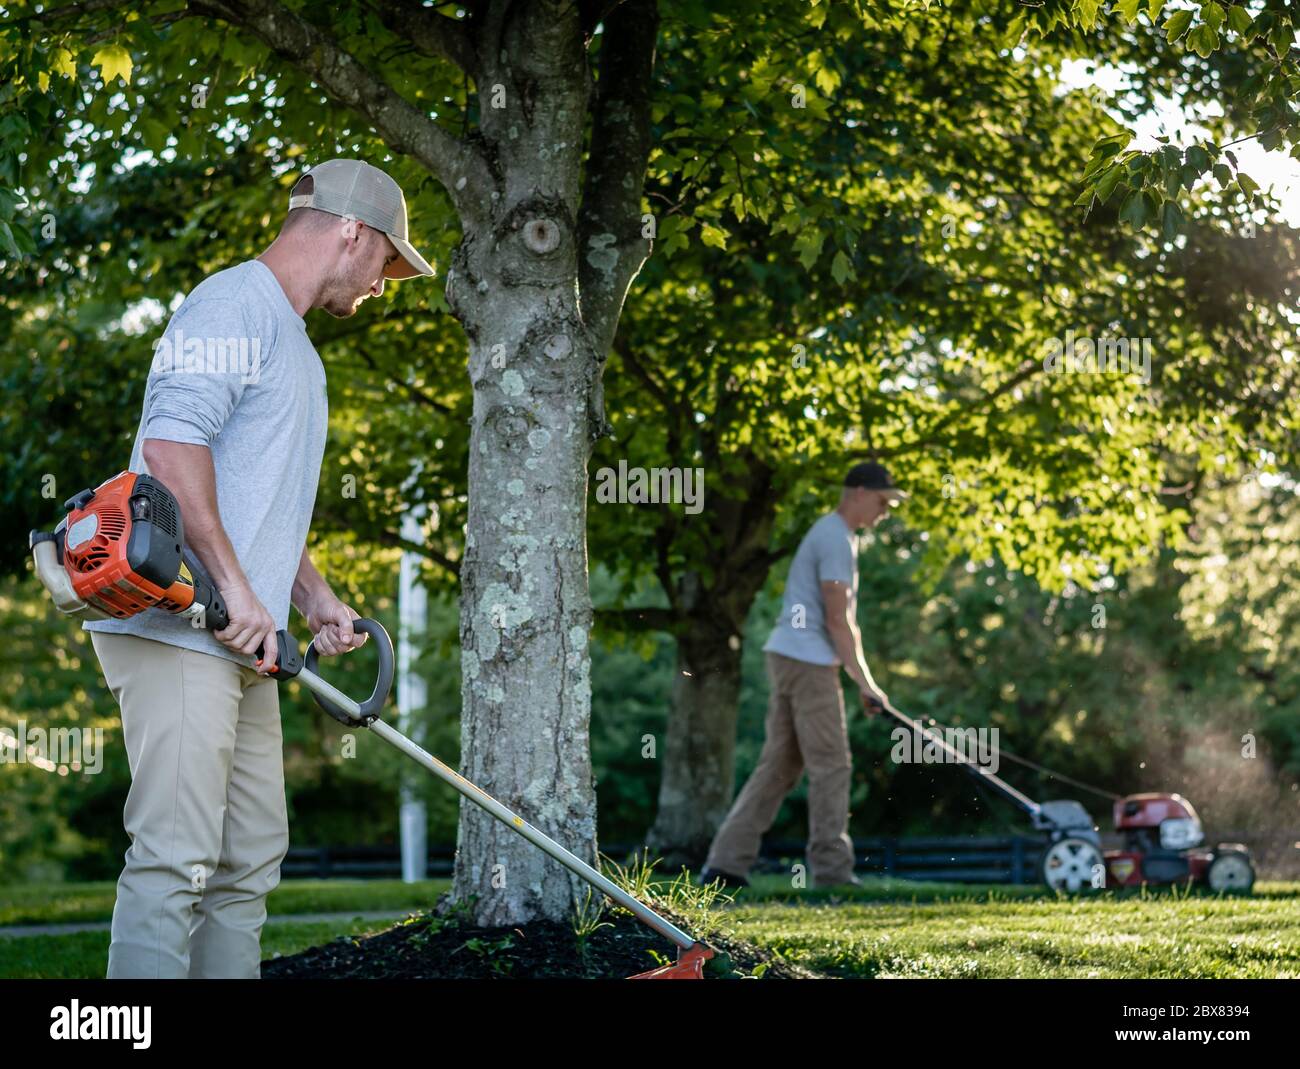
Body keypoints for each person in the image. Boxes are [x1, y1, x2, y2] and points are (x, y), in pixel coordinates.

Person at [83, 159, 434, 978]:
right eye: (387, 259)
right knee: (177, 856)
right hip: (176, 625)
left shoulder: (298, 349)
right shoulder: (233, 302)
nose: (386, 281)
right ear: (352, 229)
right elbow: (172, 449)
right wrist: (241, 591)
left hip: (243, 639)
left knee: (247, 858)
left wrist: (311, 597)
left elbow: (250, 499)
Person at [700, 461, 907, 890]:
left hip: (790, 657)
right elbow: (838, 620)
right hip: (808, 662)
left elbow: (840, 619)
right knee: (832, 765)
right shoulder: (834, 538)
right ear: (858, 492)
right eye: (883, 501)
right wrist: (866, 683)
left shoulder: (835, 536)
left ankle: (724, 865)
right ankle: (832, 873)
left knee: (779, 766)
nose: (885, 512)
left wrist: (861, 678)